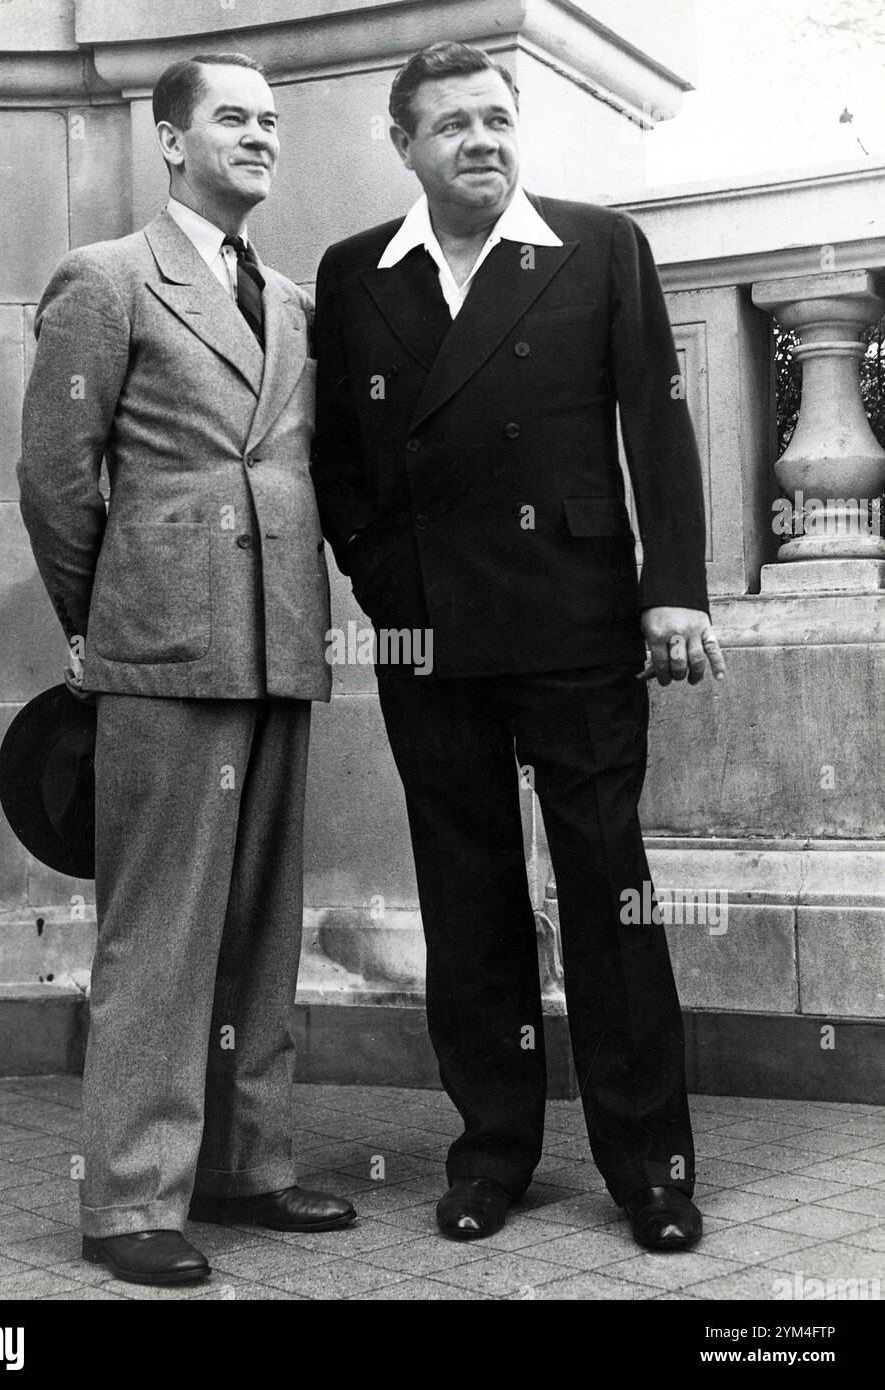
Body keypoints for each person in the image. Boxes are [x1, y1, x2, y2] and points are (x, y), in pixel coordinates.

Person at [311, 40, 726, 1251]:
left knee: (612, 890)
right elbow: (338, 458)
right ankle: (491, 1153)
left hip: (579, 616)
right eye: (450, 126)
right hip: (426, 632)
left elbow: (656, 417)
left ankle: (651, 1165)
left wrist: (674, 588)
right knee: (466, 892)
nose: (479, 141)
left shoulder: (598, 246)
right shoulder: (354, 272)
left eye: (496, 119)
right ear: (405, 146)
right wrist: (384, 579)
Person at [18, 52, 354, 1287]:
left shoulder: (301, 298)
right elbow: (54, 478)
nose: (260, 135)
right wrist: (101, 619)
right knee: (158, 939)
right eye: (232, 117)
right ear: (169, 139)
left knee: (260, 927)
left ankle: (246, 1166)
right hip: (162, 649)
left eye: (272, 119)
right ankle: (127, 1203)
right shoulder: (106, 280)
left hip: (277, 642)